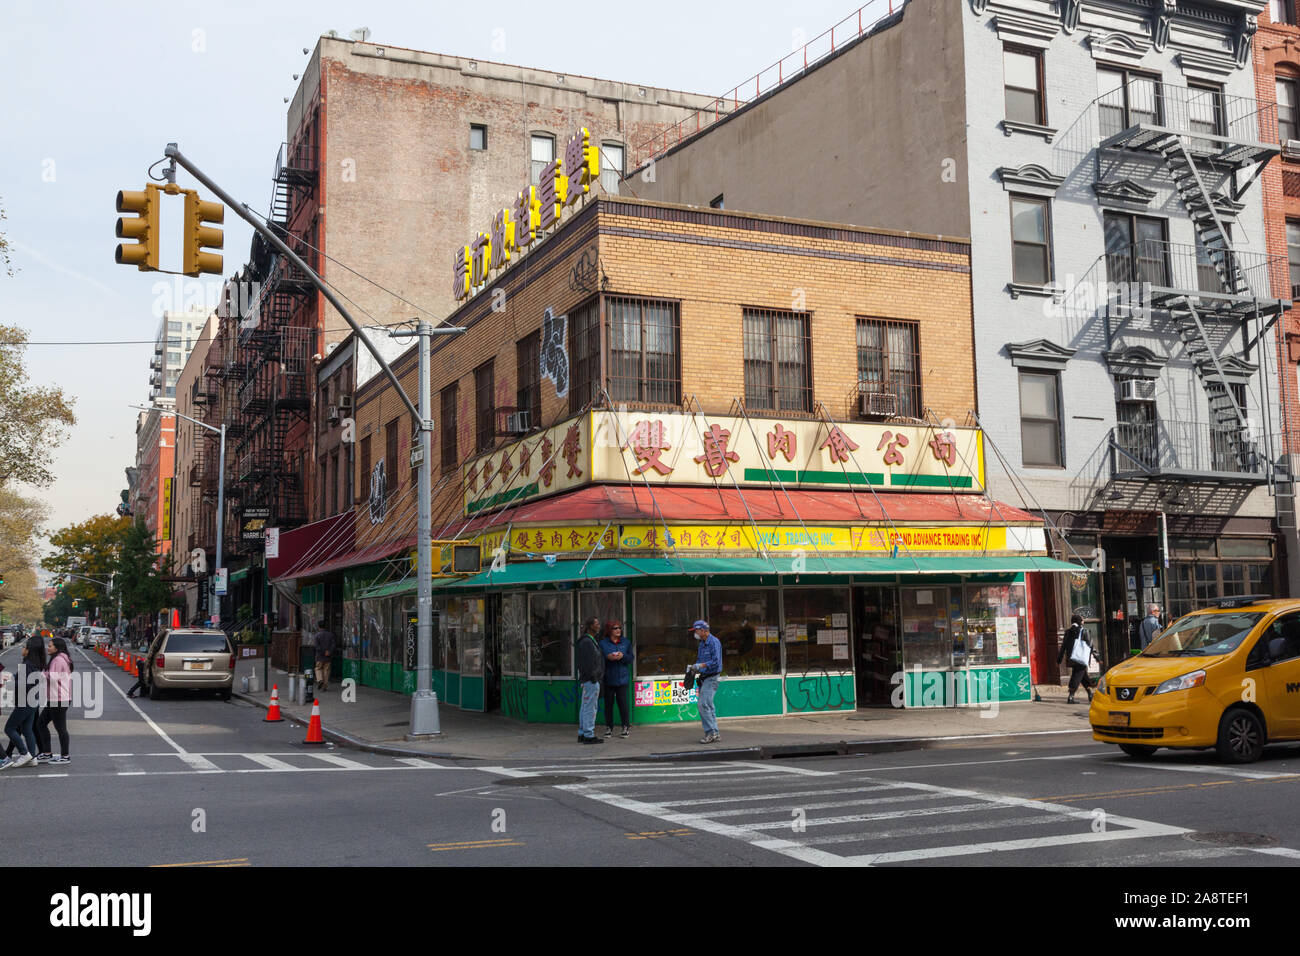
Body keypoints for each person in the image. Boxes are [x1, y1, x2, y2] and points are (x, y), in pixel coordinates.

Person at [0, 637, 45, 769]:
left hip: (25, 702)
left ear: (29, 650)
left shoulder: (27, 665)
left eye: (24, 647)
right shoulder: (34, 663)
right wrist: (12, 677)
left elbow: (25, 684)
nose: (22, 648)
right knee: (27, 730)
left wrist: (9, 683)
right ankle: (32, 758)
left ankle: (24, 753)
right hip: (32, 701)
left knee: (9, 728)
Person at [35, 637, 72, 764]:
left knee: (60, 728)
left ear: (57, 647)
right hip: (57, 698)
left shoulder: (58, 660)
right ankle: (47, 753)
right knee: (41, 723)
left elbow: (52, 677)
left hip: (59, 699)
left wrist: (41, 674)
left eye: (50, 646)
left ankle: (65, 756)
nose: (48, 648)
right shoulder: (61, 658)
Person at [687, 620, 723, 744]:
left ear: (703, 630)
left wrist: (701, 665)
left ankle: (711, 733)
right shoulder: (702, 644)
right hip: (704, 677)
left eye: (696, 631)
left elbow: (716, 661)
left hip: (712, 677)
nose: (695, 633)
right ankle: (715, 733)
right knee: (708, 705)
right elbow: (700, 660)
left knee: (702, 704)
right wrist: (694, 668)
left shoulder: (714, 642)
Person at [599, 621, 634, 738]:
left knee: (623, 704)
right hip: (608, 678)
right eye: (615, 628)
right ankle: (609, 727)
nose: (618, 630)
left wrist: (623, 656)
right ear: (609, 630)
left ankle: (625, 726)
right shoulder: (603, 643)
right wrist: (607, 657)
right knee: (608, 704)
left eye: (619, 628)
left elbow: (631, 658)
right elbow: (598, 659)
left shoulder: (626, 642)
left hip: (622, 679)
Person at [575, 617, 604, 745]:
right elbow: (588, 662)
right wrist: (594, 677)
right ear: (590, 626)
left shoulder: (589, 641)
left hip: (588, 679)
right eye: (596, 624)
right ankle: (588, 734)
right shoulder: (587, 642)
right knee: (590, 707)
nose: (599, 626)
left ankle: (582, 733)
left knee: (585, 706)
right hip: (591, 680)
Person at [1058, 614, 1094, 705]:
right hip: (1081, 658)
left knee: (1083, 675)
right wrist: (1097, 657)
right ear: (1079, 621)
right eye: (1082, 620)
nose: (1083, 621)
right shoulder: (1083, 631)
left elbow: (1063, 646)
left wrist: (1059, 659)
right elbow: (1090, 646)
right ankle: (1071, 696)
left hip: (1072, 658)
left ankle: (1090, 694)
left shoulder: (1067, 632)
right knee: (1077, 676)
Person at [313, 620, 336, 693]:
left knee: (318, 669)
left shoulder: (317, 635)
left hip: (319, 656)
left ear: (319, 627)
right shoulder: (330, 635)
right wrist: (329, 651)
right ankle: (324, 686)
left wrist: (323, 652)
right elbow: (333, 645)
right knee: (326, 671)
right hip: (328, 657)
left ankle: (320, 680)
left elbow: (317, 646)